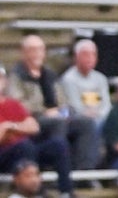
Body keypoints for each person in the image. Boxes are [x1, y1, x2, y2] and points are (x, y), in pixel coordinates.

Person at [6, 35, 101, 170]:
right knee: (57, 122)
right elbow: (17, 104)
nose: (37, 53)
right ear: (24, 52)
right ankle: (59, 167)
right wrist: (45, 112)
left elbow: (65, 103)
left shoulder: (50, 75)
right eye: (32, 50)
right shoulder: (16, 76)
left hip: (57, 115)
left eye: (40, 49)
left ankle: (84, 171)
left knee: (86, 123)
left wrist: (62, 112)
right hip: (33, 120)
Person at [0, 66, 73, 198]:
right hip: (5, 155)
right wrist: (18, 128)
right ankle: (35, 191)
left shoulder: (13, 104)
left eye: (0, 78)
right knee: (25, 145)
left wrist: (10, 126)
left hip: (25, 149)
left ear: (4, 81)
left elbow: (34, 127)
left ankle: (66, 192)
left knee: (58, 144)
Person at [59, 39, 112, 126]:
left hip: (100, 118)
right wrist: (89, 115)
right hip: (78, 120)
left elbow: (106, 105)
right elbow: (74, 106)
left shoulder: (101, 78)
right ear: (76, 57)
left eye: (93, 54)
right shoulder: (69, 79)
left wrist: (100, 114)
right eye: (86, 54)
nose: (90, 58)